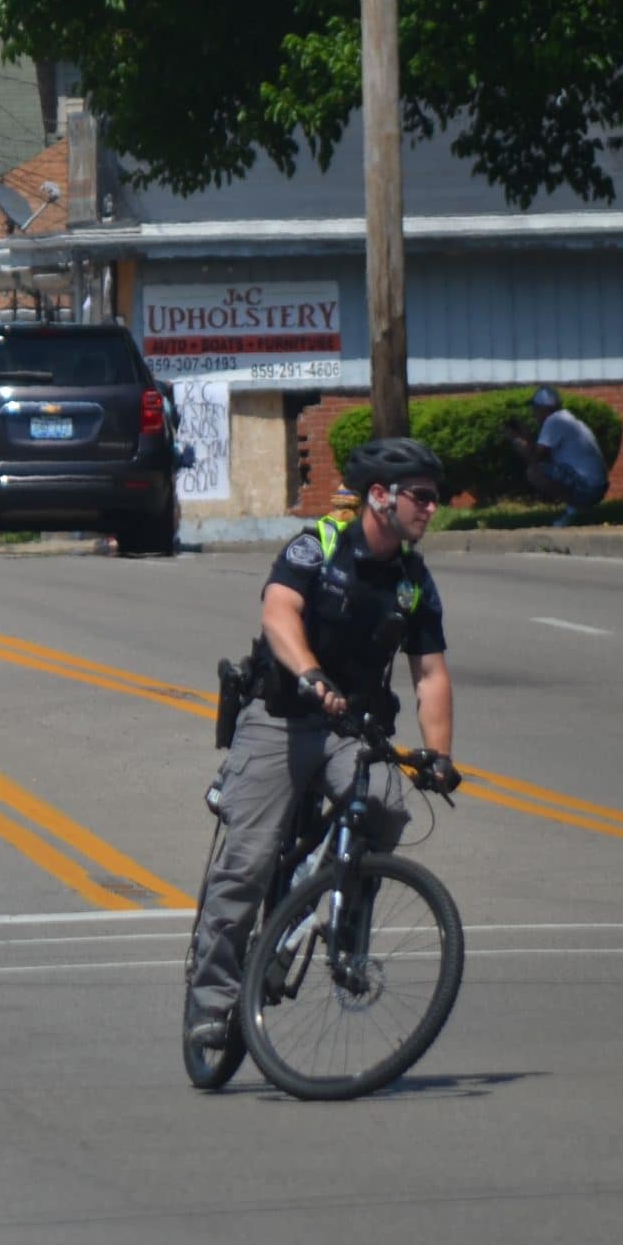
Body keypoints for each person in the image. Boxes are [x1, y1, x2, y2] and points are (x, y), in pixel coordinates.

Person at [183, 436, 453, 1055]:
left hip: (350, 729)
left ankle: (338, 920)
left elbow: (431, 672)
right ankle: (213, 998)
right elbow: (279, 610)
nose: (432, 510)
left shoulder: (412, 579)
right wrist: (309, 673)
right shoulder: (320, 544)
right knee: (247, 864)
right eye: (422, 498)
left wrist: (439, 755)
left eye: (437, 499)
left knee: (385, 808)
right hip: (282, 716)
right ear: (380, 498)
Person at [507, 385, 607, 524]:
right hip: (596, 486)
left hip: (588, 488)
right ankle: (576, 511)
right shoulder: (564, 418)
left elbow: (535, 458)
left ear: (543, 409)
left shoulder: (554, 421)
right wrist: (526, 435)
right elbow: (544, 455)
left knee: (535, 472)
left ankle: (579, 511)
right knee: (541, 468)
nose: (533, 413)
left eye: (535, 409)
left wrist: (515, 440)